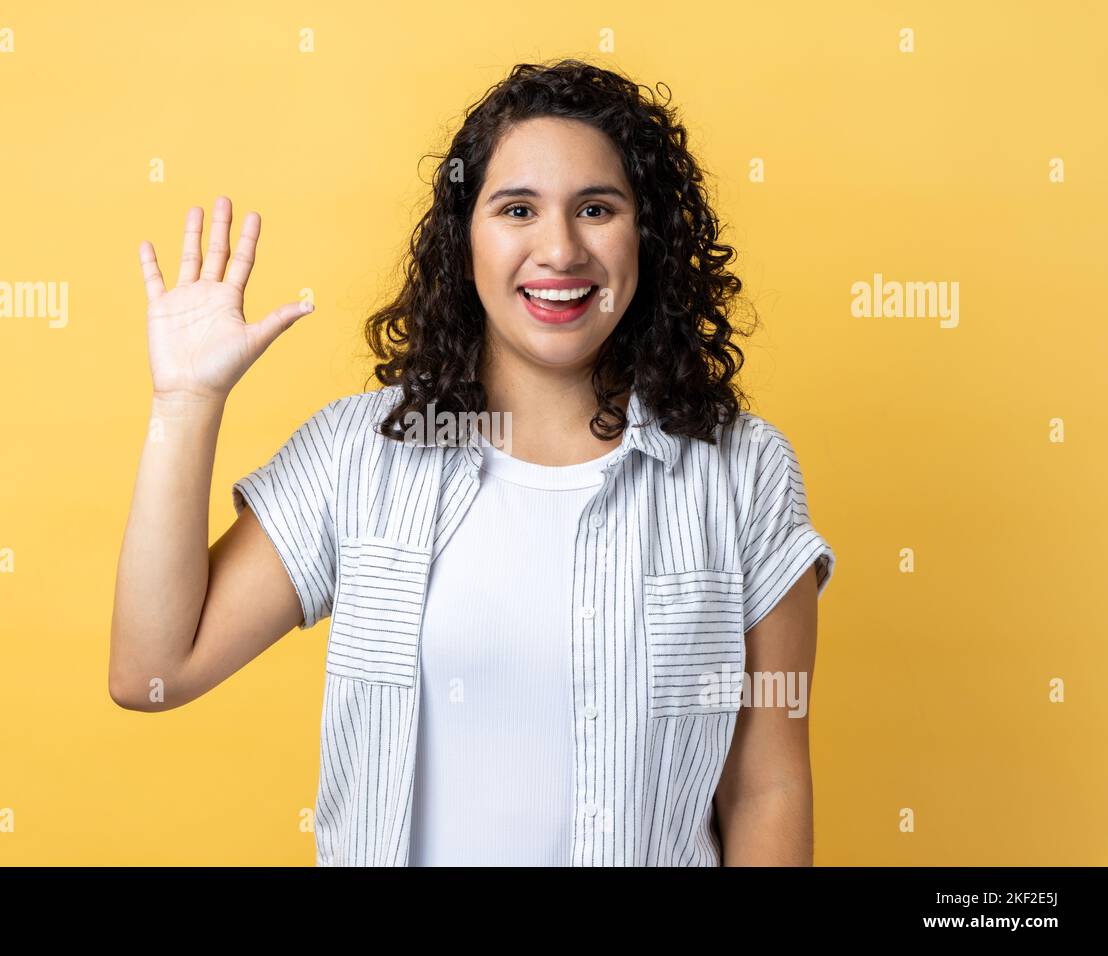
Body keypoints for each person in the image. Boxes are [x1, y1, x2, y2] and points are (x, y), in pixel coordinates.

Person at [109, 59, 836, 867]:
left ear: (647, 241)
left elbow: (766, 786)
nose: (559, 249)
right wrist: (184, 405)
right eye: (517, 209)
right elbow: (152, 670)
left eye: (597, 208)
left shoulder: (743, 474)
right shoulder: (360, 455)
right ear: (464, 247)